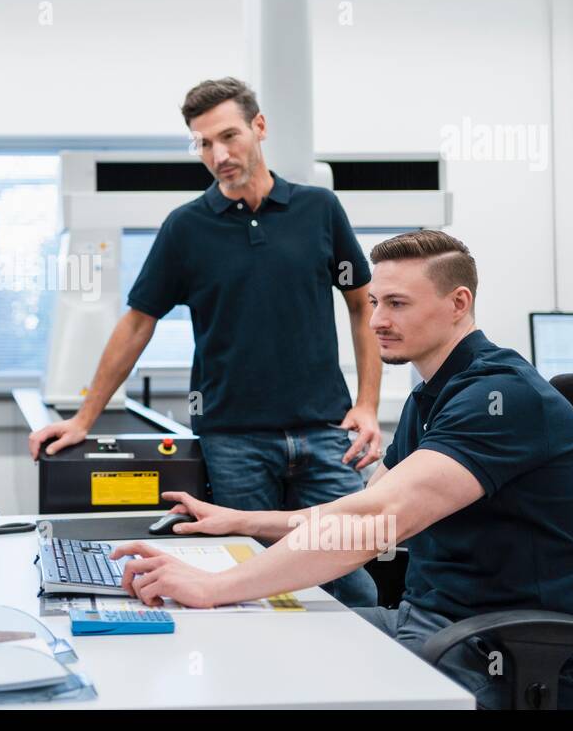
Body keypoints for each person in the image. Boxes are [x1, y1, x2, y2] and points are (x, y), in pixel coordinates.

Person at [109, 230, 573, 709]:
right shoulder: (433, 396)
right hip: (428, 626)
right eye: (374, 303)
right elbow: (362, 507)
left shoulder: (501, 399)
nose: (375, 321)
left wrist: (212, 586)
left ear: (459, 303)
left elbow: (375, 522)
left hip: (495, 654)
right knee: (241, 634)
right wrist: (240, 521)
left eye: (398, 304)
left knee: (247, 654)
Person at [29, 77, 382, 606]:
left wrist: (369, 405)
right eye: (203, 143)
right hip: (234, 440)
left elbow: (362, 304)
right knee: (247, 582)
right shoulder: (186, 228)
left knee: (353, 584)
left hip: (324, 434)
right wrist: (84, 419)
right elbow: (136, 324)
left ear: (259, 128)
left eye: (229, 136)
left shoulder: (319, 209)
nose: (219, 154)